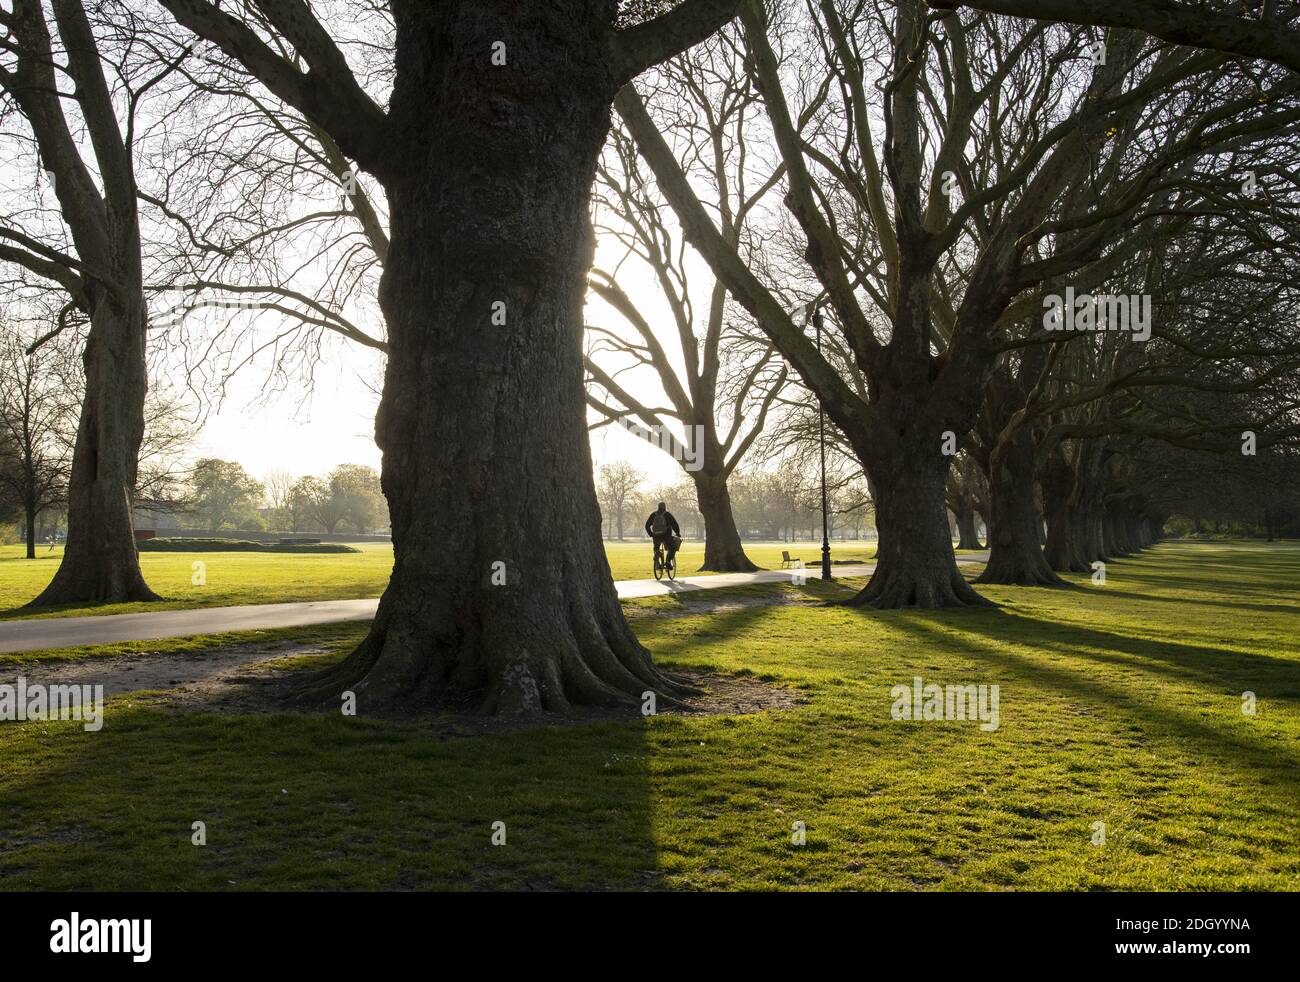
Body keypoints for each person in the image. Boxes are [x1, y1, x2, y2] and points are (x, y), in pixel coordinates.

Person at [644, 501, 681, 567]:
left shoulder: (653, 515)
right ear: (665, 507)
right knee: (672, 548)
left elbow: (647, 525)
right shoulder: (667, 514)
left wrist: (651, 534)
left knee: (656, 547)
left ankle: (657, 557)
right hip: (666, 536)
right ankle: (668, 561)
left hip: (656, 536)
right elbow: (674, 524)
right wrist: (677, 533)